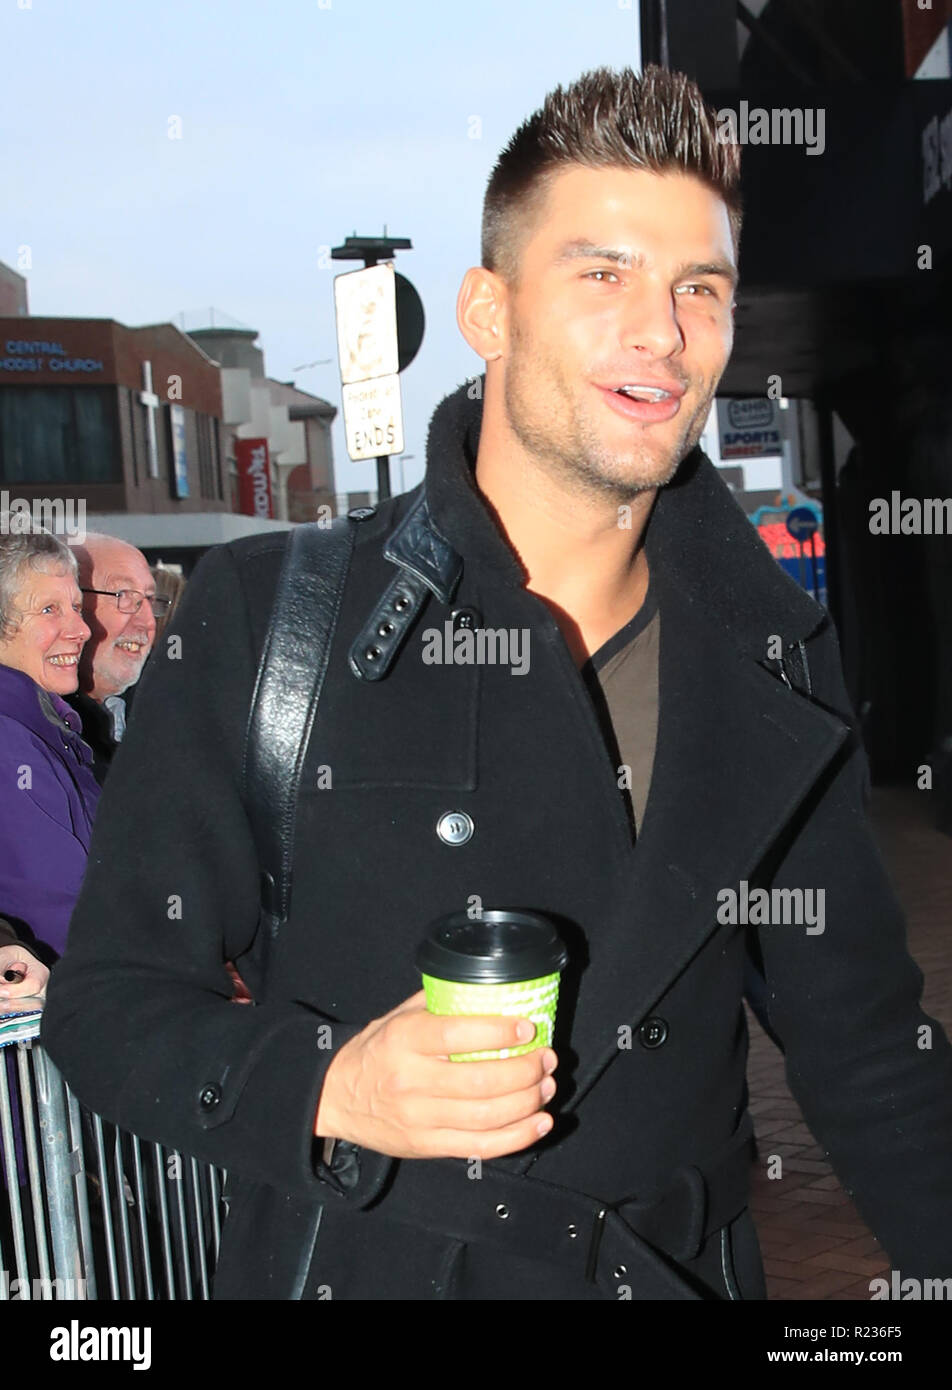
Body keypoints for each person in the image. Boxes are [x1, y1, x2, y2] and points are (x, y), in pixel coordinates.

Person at [43, 65, 952, 1300]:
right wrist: (330, 1084)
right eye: (601, 275)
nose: (660, 331)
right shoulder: (277, 619)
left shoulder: (772, 656)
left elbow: (867, 1055)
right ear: (489, 311)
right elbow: (106, 1006)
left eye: (700, 287)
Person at [0, 524, 100, 962]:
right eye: (49, 610)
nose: (80, 629)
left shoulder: (50, 730)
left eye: (76, 608)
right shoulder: (10, 739)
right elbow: (62, 907)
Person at [68, 533, 168, 785]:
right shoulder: (33, 731)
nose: (147, 622)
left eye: (149, 599)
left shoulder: (169, 708)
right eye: (122, 595)